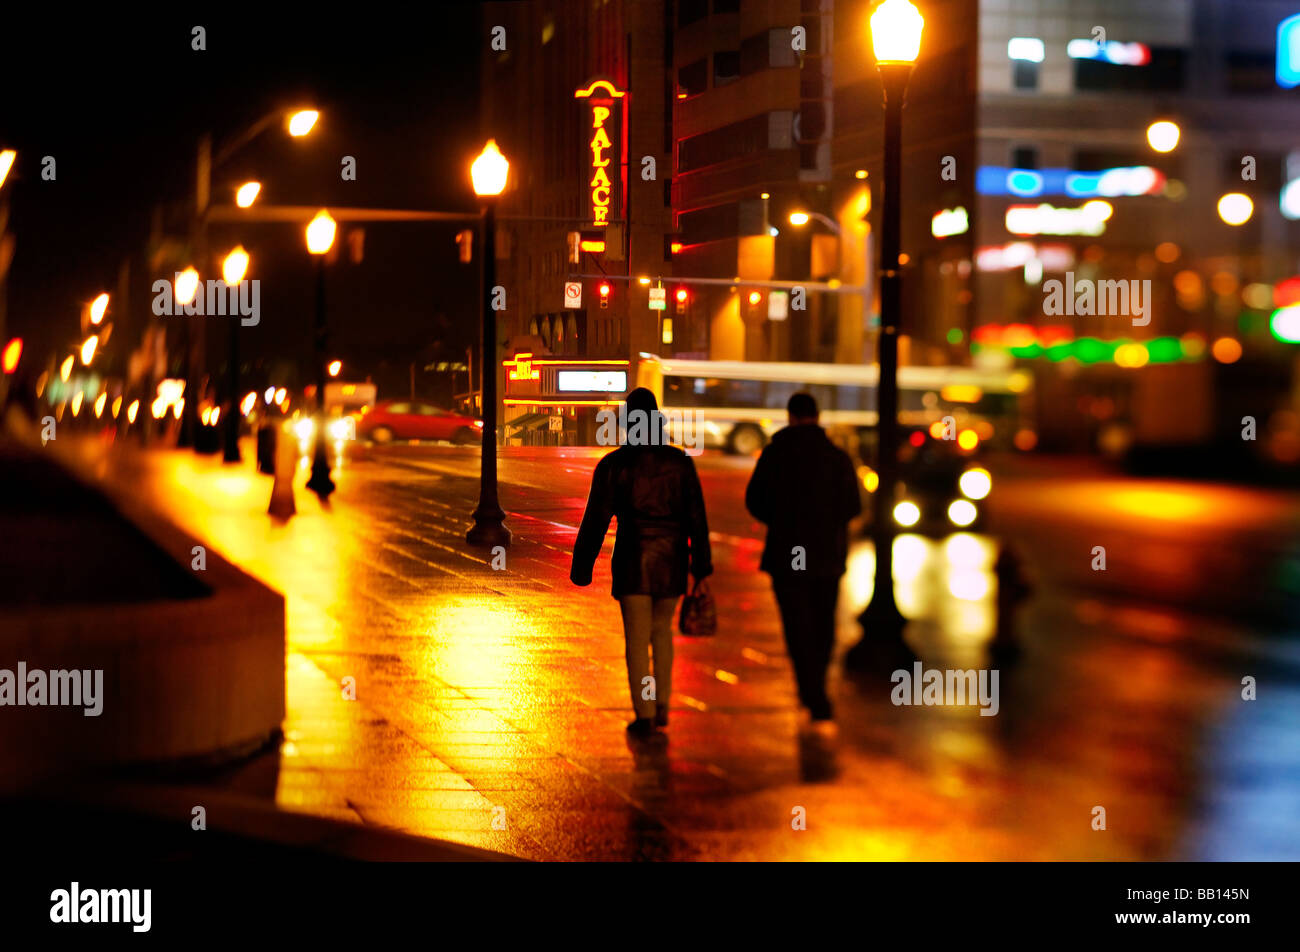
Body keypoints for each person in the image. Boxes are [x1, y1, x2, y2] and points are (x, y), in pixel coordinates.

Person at [570, 387, 712, 736]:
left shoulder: (614, 465)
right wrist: (702, 567)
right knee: (661, 632)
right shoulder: (680, 463)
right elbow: (697, 517)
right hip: (672, 561)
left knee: (636, 639)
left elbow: (596, 520)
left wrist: (582, 566)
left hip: (634, 561)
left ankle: (645, 712)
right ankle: (662, 702)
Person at [744, 392, 860, 726]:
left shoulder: (775, 454)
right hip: (826, 555)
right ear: (817, 416)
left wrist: (781, 520)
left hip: (789, 554)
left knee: (797, 624)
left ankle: (808, 690)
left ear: (791, 416)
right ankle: (818, 690)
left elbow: (756, 500)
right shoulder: (837, 458)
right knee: (824, 623)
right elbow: (853, 506)